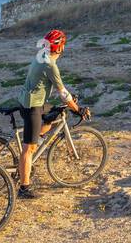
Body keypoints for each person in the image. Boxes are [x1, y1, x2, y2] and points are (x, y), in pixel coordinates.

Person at [15, 29, 89, 199]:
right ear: (61, 48)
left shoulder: (41, 54)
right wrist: (77, 109)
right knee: (28, 149)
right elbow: (62, 92)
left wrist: (69, 104)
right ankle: (23, 188)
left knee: (54, 114)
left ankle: (36, 140)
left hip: (31, 101)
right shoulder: (50, 65)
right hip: (32, 106)